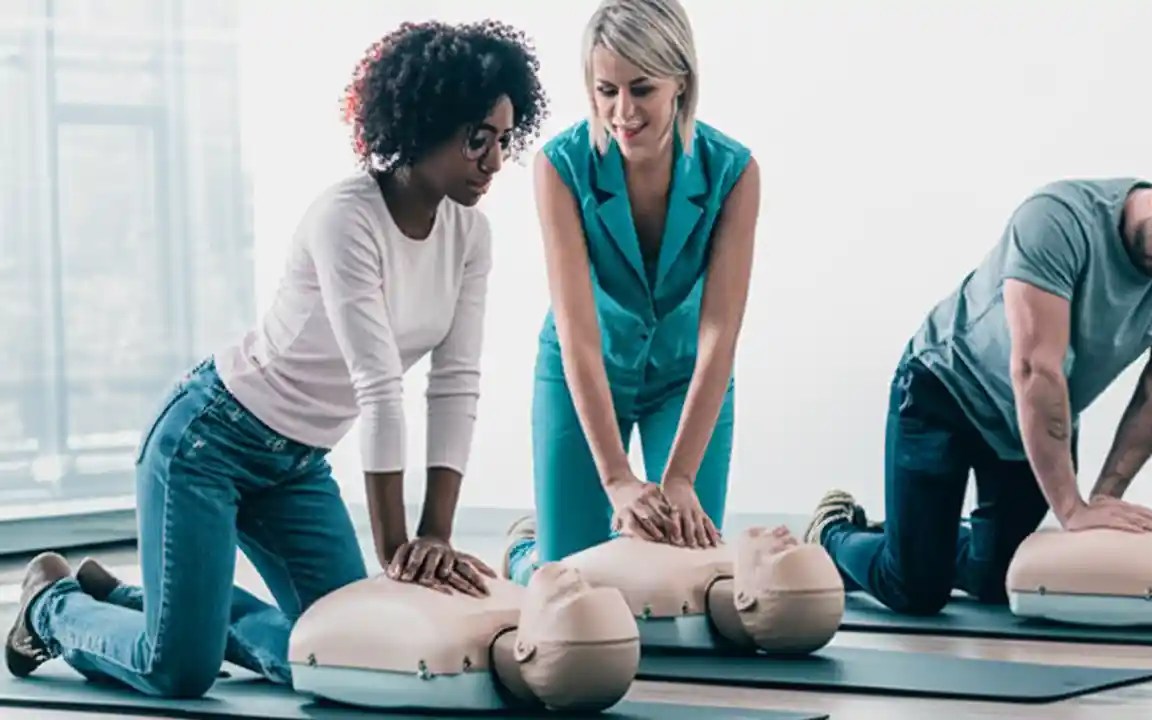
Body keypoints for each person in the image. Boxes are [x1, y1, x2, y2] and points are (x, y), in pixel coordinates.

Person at [5, 19, 550, 698]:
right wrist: (395, 554)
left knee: (345, 652)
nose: (494, 161)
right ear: (426, 122)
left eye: (503, 139)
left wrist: (436, 533)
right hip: (206, 444)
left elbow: (456, 382)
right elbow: (378, 385)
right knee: (177, 669)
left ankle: (128, 597)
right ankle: (52, 604)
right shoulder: (345, 218)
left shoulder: (471, 235)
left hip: (294, 467)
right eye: (478, 139)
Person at [803, 155, 1152, 616]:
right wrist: (1072, 509)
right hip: (943, 391)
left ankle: (916, 537)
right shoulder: (1056, 218)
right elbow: (1034, 369)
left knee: (1003, 581)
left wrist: (1104, 497)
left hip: (1030, 415)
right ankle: (834, 530)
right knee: (915, 590)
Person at [503, 0, 762, 585]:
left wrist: (679, 479)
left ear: (681, 83)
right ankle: (526, 551)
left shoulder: (735, 172)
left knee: (685, 575)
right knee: (571, 583)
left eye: (641, 89)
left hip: (686, 377)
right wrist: (618, 478)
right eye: (606, 90)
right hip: (586, 371)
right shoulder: (559, 168)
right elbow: (578, 338)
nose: (623, 112)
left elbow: (720, 336)